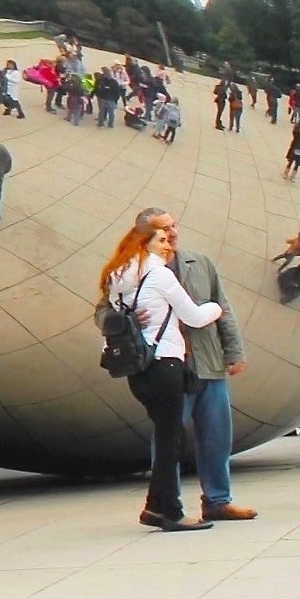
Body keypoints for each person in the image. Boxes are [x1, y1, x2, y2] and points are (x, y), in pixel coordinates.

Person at [98, 216, 221, 533]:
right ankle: (171, 512)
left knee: (168, 434)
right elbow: (193, 317)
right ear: (145, 244)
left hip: (137, 367)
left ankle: (154, 507)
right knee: (171, 440)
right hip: (165, 362)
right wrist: (215, 308)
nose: (168, 246)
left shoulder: (116, 277)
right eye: (161, 241)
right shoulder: (160, 275)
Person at [139, 209, 255, 521]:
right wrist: (123, 319)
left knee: (217, 436)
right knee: (169, 438)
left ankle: (218, 500)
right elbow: (104, 308)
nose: (172, 233)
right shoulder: (133, 269)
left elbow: (223, 307)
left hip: (207, 363)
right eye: (163, 229)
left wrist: (234, 351)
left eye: (173, 226)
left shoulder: (199, 263)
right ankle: (167, 503)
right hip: (169, 367)